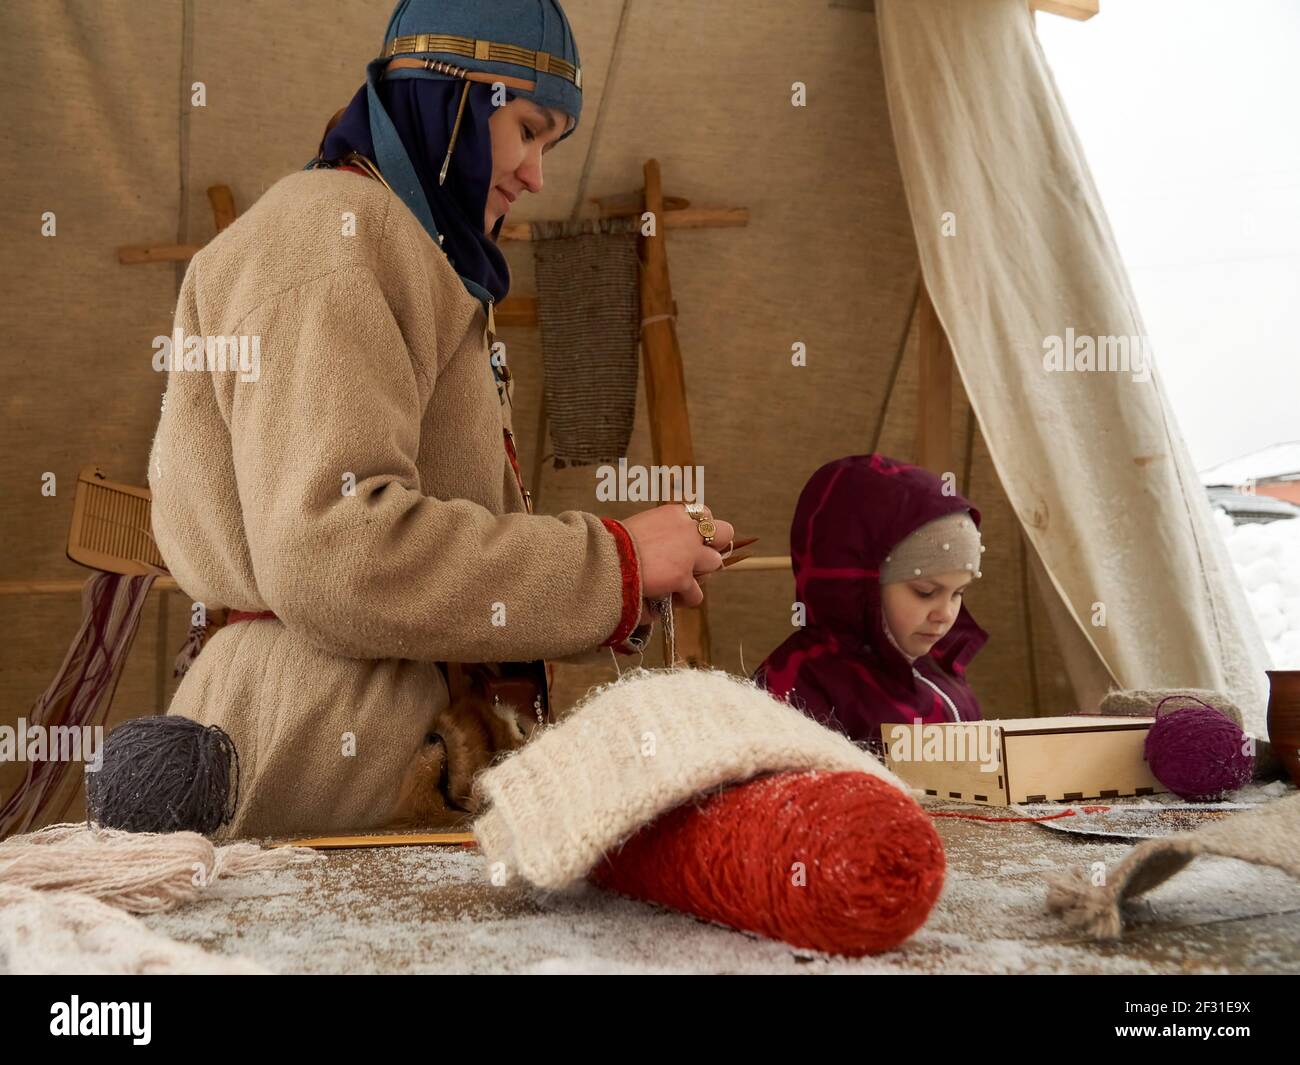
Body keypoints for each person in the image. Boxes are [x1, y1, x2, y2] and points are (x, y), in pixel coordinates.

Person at [143, 0, 734, 837]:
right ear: (451, 98)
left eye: (552, 145)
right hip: (327, 752)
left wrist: (623, 590)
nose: (537, 175)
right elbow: (332, 549)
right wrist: (613, 563)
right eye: (527, 129)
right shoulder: (327, 237)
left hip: (384, 747)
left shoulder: (406, 249)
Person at [753, 454, 988, 751]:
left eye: (959, 593)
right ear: (861, 583)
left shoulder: (941, 677)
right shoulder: (798, 683)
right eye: (925, 592)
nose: (945, 614)